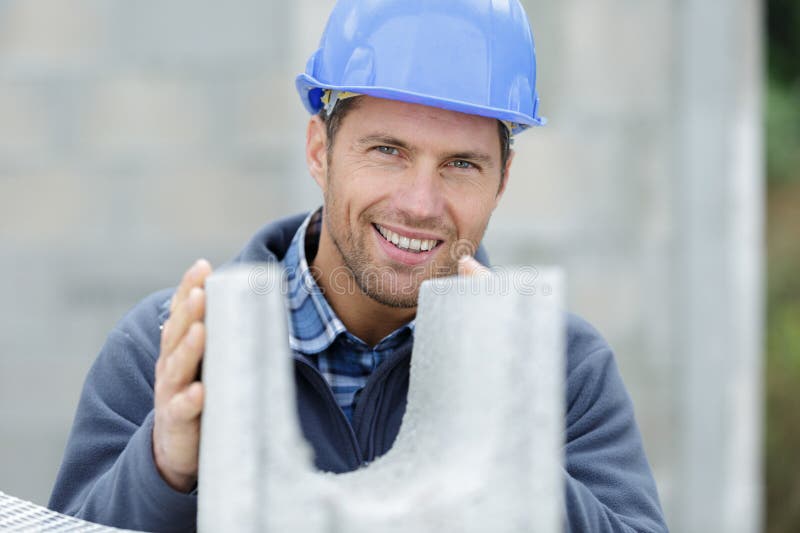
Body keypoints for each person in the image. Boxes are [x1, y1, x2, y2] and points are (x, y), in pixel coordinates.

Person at [49, 1, 668, 531]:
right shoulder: (170, 351)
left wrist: (521, 453)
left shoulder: (563, 367)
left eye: (461, 165)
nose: (419, 205)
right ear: (321, 151)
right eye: (388, 151)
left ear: (501, 181)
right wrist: (163, 472)